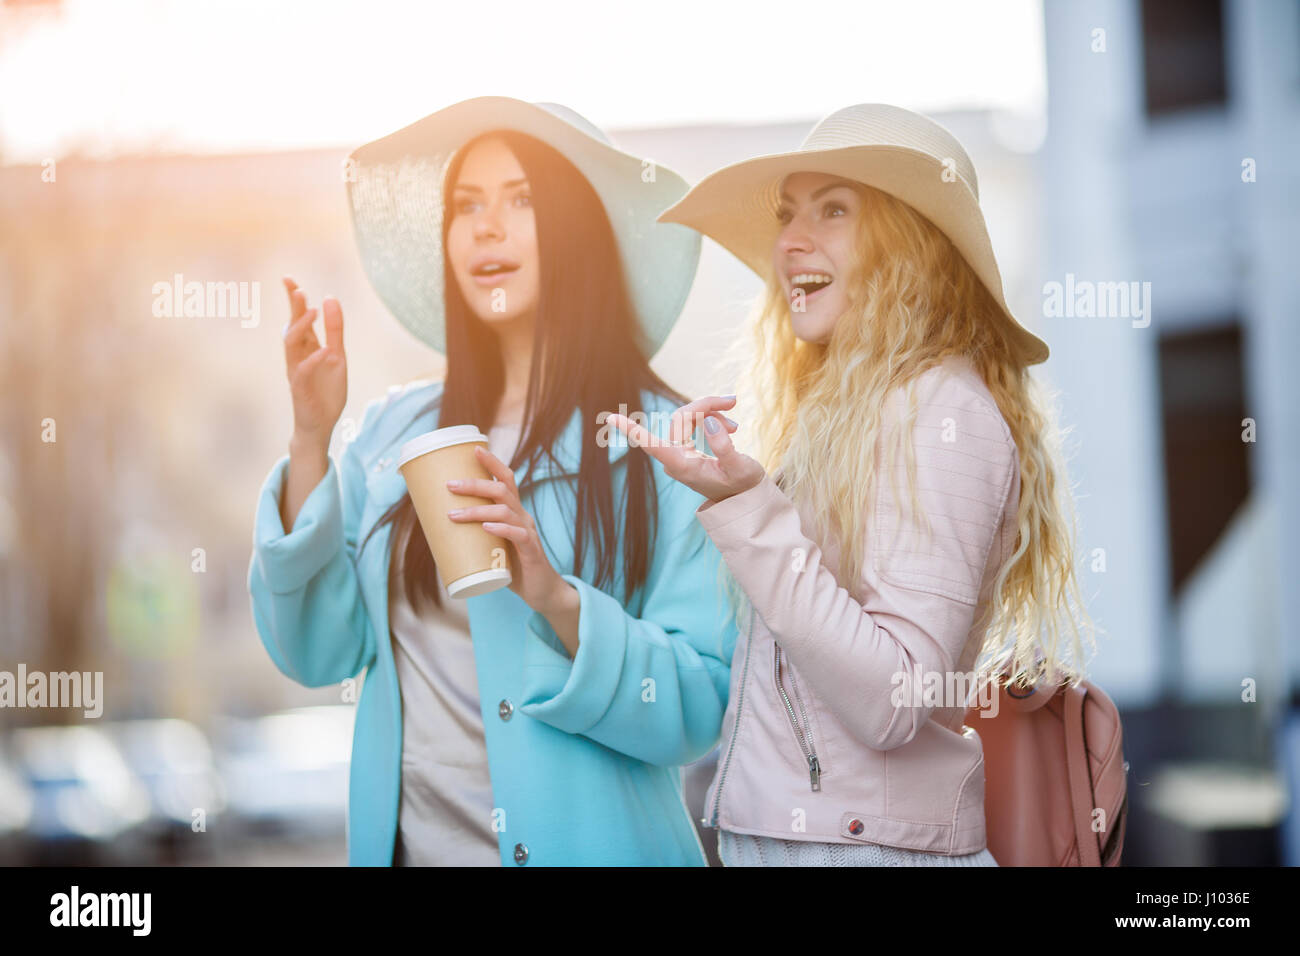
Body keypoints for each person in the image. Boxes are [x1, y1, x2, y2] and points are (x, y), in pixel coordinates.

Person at [248, 97, 736, 866]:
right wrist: (312, 435)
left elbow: (701, 706)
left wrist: (555, 598)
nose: (485, 227)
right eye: (465, 206)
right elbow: (317, 652)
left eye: (521, 201)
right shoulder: (392, 433)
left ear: (578, 233)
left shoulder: (667, 442)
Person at [609, 103, 1096, 866]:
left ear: (913, 246)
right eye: (788, 214)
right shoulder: (851, 413)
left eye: (834, 210)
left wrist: (747, 507)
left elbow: (894, 699)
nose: (790, 240)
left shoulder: (943, 411)